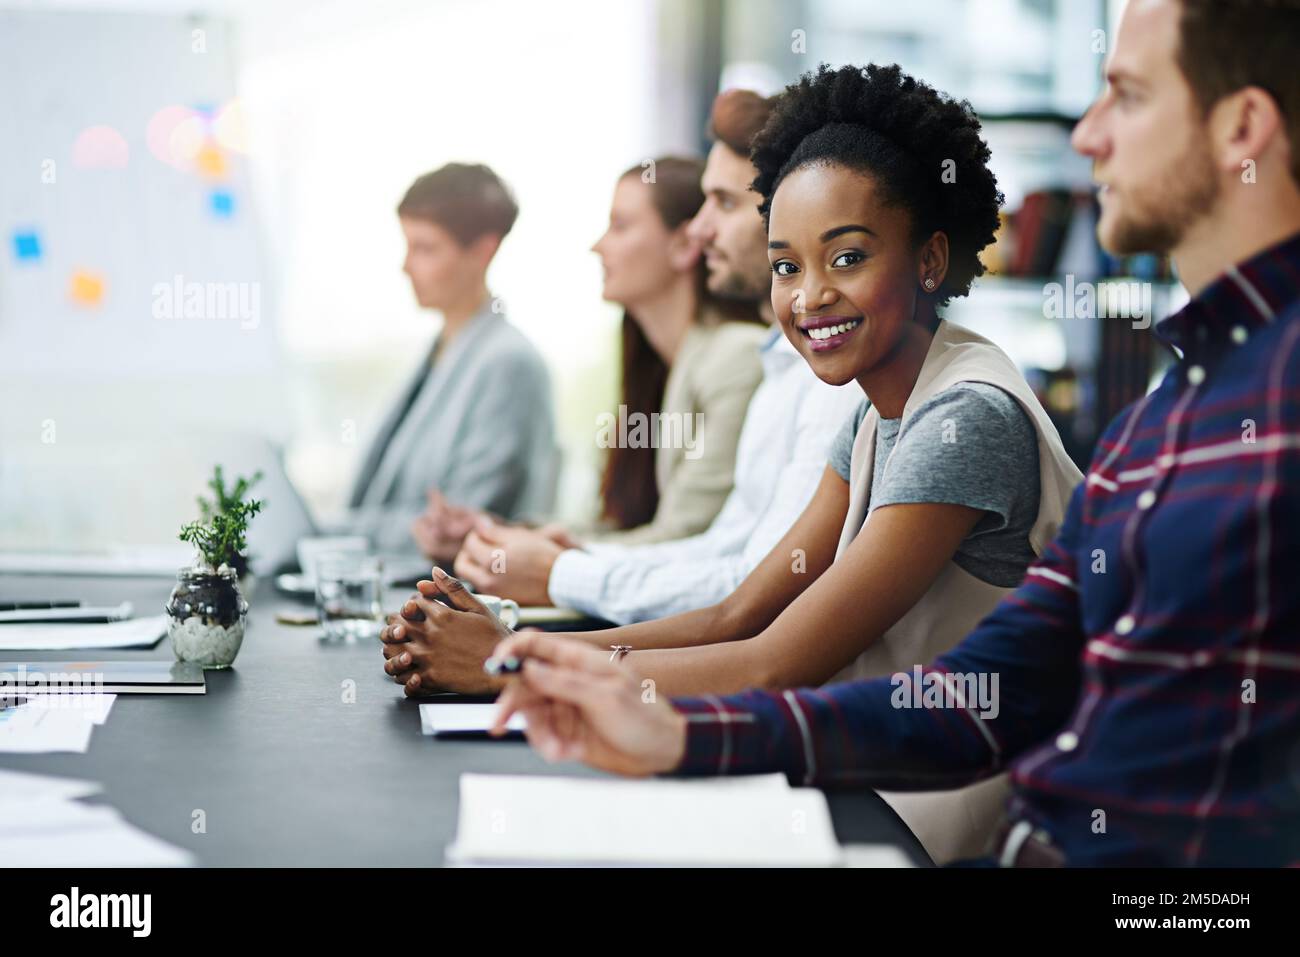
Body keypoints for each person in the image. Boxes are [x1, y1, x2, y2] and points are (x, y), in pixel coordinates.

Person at [483, 0, 1300, 868]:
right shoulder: (1159, 419)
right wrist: (670, 728)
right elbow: (983, 693)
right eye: (788, 264)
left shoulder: (988, 414)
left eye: (1127, 97)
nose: (1089, 135)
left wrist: (559, 667)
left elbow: (776, 655)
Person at [380, 63, 1084, 864]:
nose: (809, 295)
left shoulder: (965, 419)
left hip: (937, 828)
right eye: (787, 265)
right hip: (863, 792)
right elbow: (737, 615)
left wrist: (514, 666)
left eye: (846, 257)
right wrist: (518, 641)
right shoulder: (869, 410)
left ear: (929, 260)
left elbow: (778, 661)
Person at [448, 90, 861, 622]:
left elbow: (741, 589)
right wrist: (570, 556)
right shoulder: (778, 367)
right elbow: (724, 549)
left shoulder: (779, 368)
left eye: (726, 203)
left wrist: (559, 574)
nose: (701, 227)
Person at [415, 156, 769, 563]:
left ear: (684, 245)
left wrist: (538, 558)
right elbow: (623, 528)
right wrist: (495, 533)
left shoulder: (735, 358)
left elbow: (686, 538)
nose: (597, 246)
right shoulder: (658, 368)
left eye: (620, 226)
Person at [344, 163, 557, 558]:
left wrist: (332, 532)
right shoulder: (438, 352)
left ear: (482, 251)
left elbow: (465, 520)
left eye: (425, 248)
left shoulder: (509, 364)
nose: (406, 266)